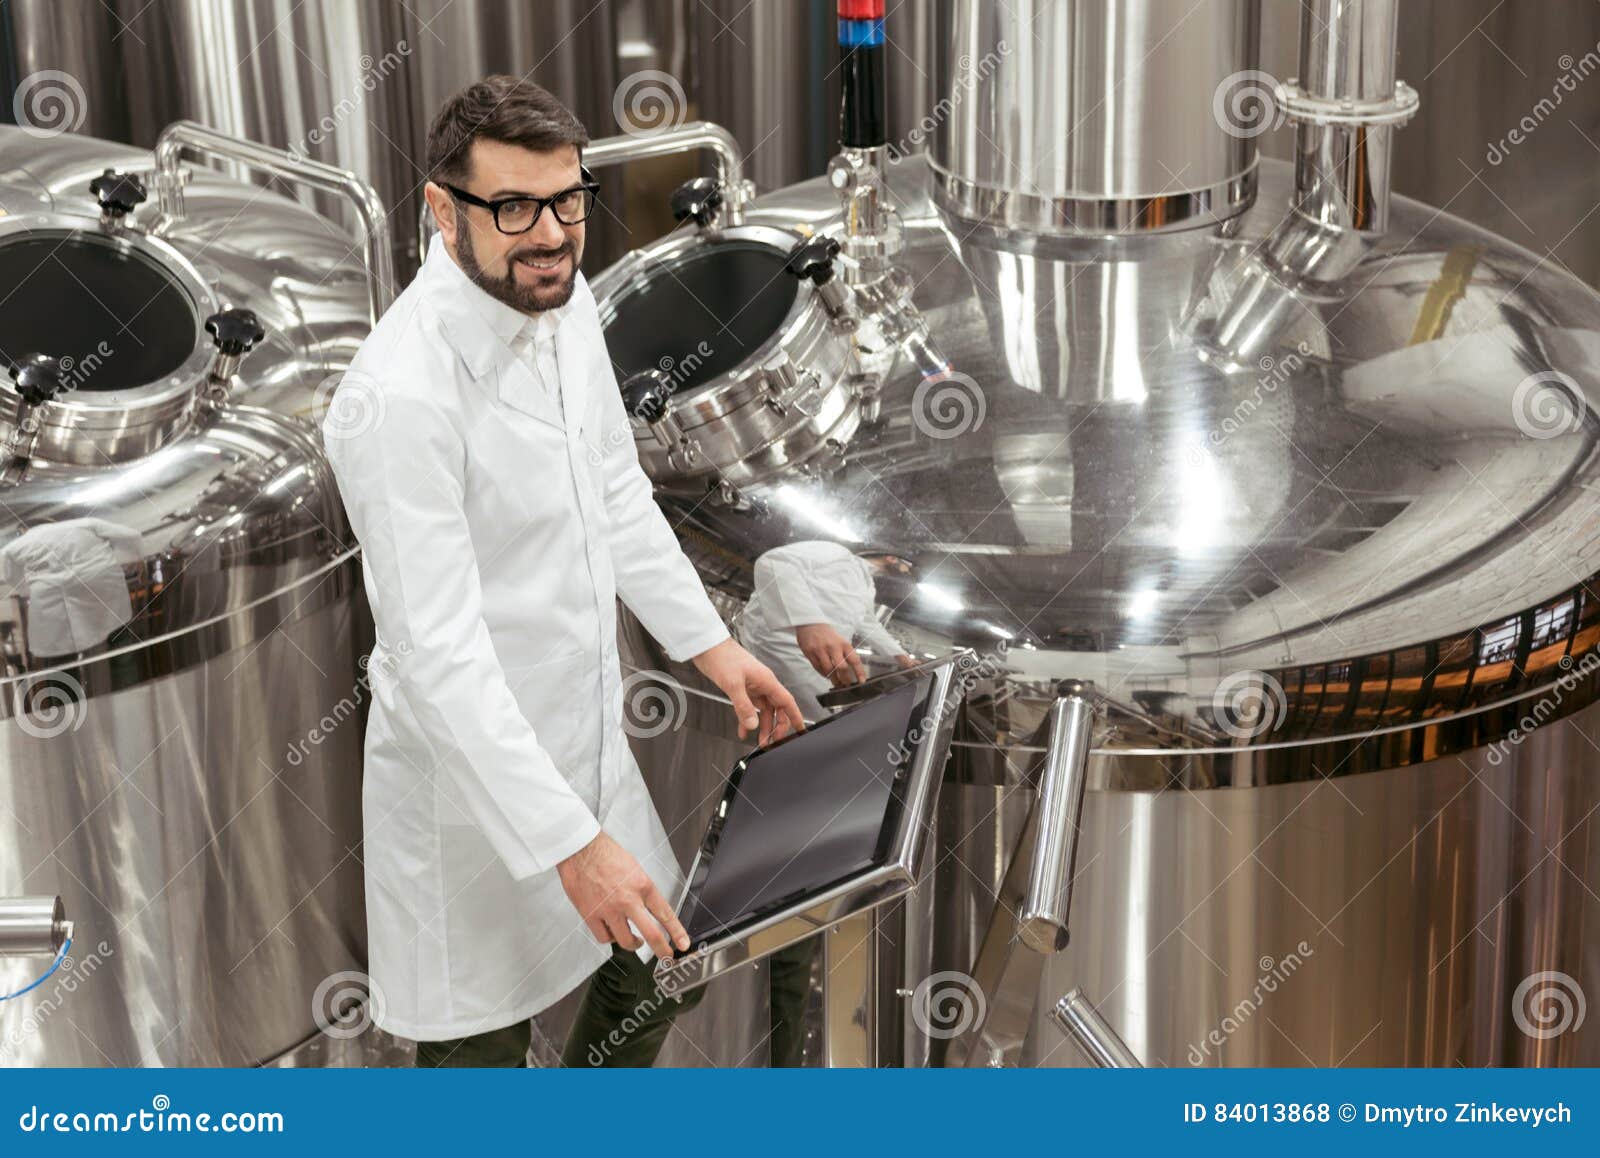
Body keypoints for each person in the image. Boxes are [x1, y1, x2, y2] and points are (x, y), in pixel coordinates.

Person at [322, 75, 804, 1068]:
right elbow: (439, 657)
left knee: (660, 967)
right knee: (480, 1067)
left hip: (587, 745)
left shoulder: (562, 296)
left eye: (567, 200)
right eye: (512, 208)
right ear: (443, 209)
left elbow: (613, 489)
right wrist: (570, 848)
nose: (548, 234)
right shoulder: (398, 399)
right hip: (475, 798)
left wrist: (713, 650)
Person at [737, 539, 917, 1065]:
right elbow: (772, 563)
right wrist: (809, 624)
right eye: (903, 562)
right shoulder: (831, 554)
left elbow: (863, 623)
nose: (903, 570)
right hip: (766, 704)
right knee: (775, 896)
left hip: (807, 724)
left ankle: (789, 1043)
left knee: (799, 895)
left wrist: (898, 656)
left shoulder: (863, 585)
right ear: (887, 554)